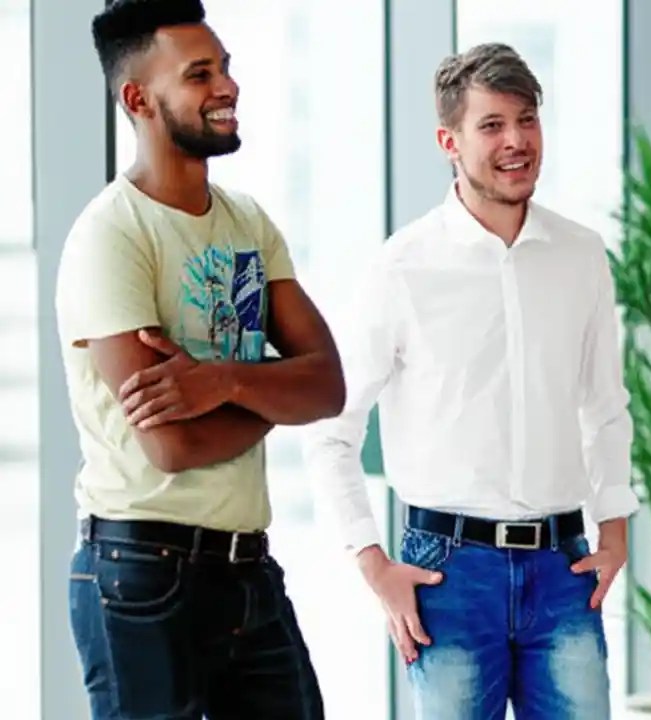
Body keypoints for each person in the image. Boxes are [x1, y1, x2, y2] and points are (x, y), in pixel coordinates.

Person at [302, 42, 637, 719]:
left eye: (527, 119)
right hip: (445, 573)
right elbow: (330, 430)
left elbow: (605, 405)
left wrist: (616, 531)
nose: (516, 141)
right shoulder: (402, 267)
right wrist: (373, 566)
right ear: (447, 140)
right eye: (492, 125)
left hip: (563, 565)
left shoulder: (581, 256)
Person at [59, 0, 345, 717]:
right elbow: (174, 443)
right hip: (139, 577)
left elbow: (330, 385)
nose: (227, 86)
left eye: (224, 67)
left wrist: (218, 379)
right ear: (138, 99)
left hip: (247, 567)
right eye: (199, 74)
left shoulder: (248, 221)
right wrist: (277, 392)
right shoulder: (111, 237)